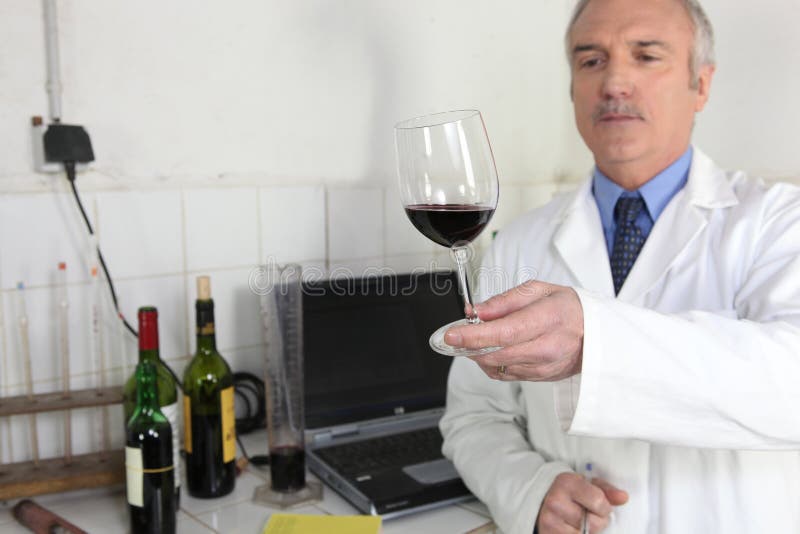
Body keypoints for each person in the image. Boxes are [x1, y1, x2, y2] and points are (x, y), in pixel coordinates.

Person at [438, 0, 800, 533]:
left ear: (701, 84)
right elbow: (474, 416)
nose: (614, 83)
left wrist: (596, 340)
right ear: (572, 89)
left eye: (646, 56)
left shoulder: (777, 222)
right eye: (591, 61)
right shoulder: (519, 243)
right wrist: (530, 489)